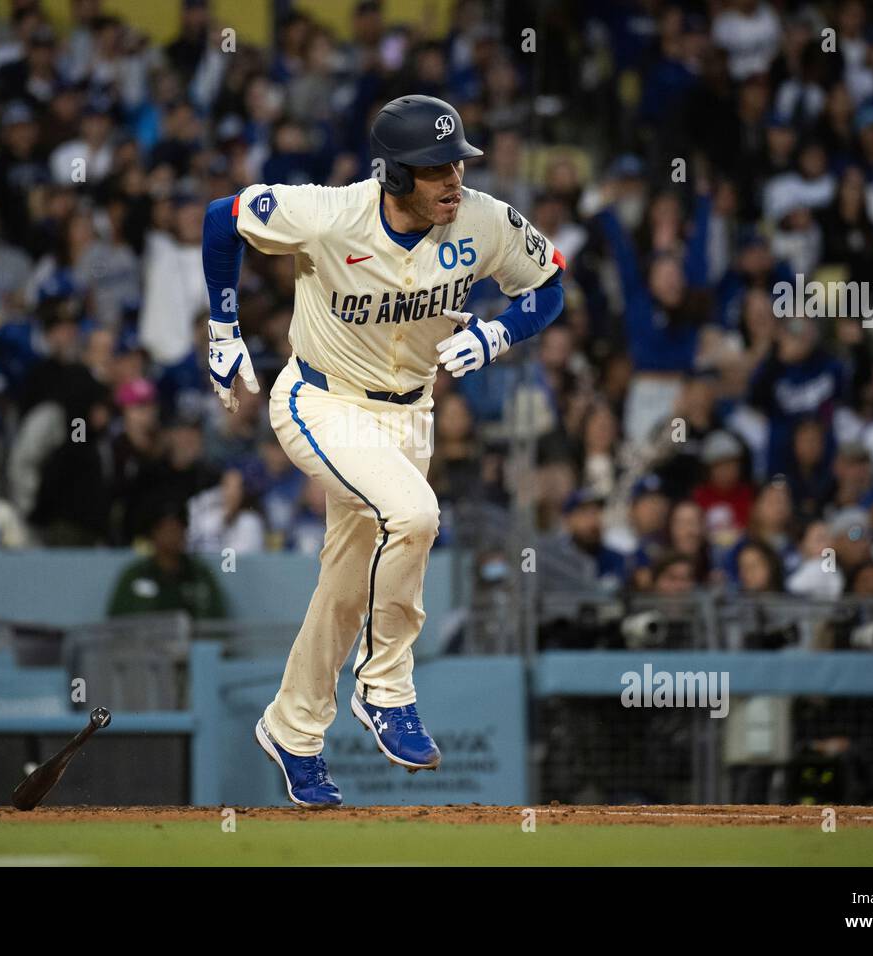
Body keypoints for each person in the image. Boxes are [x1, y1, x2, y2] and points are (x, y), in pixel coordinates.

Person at [202, 94, 564, 806]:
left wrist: (497, 334)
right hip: (320, 400)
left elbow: (548, 282)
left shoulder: (482, 219)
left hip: (411, 417)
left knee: (343, 589)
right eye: (436, 169)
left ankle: (293, 730)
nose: (454, 178)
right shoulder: (332, 213)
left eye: (458, 161)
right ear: (397, 175)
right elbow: (225, 217)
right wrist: (223, 331)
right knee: (418, 517)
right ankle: (386, 688)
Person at [106, 501, 227, 619]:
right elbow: (115, 626)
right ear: (153, 533)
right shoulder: (134, 576)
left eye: (177, 528)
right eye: (165, 528)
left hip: (190, 639)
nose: (172, 535)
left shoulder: (200, 575)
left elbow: (217, 625)